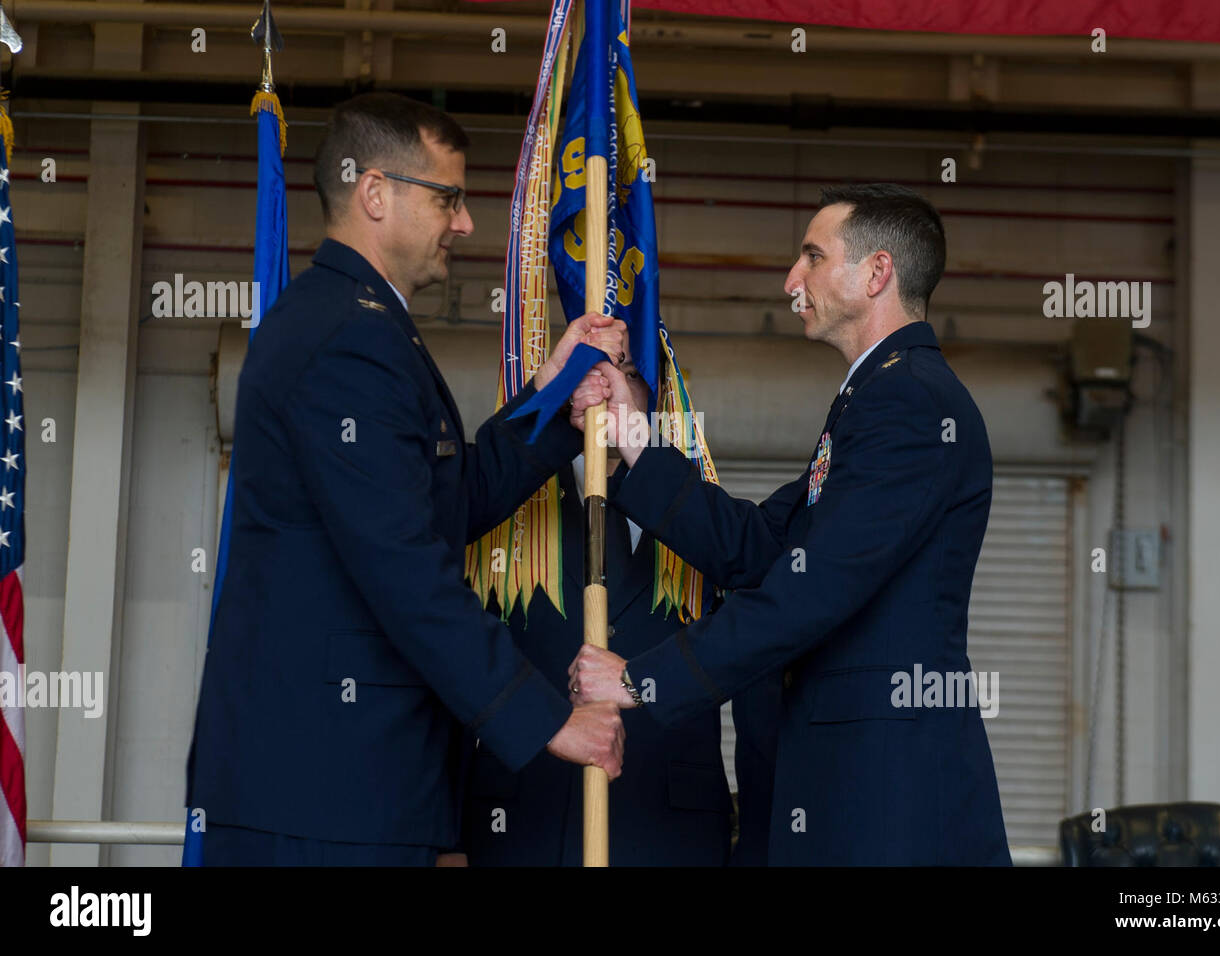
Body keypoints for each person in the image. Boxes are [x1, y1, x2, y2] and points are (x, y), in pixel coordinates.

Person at [185, 92, 627, 866]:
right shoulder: (350, 337)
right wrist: (546, 718)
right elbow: (403, 567)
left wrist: (557, 398)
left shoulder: (354, 322)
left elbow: (444, 505)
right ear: (376, 193)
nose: (464, 224)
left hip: (345, 789)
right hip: (323, 794)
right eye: (449, 198)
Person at [567, 183, 1011, 866]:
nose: (790, 280)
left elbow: (811, 592)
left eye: (812, 256)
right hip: (844, 789)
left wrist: (638, 681)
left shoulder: (911, 405)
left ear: (876, 273)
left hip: (885, 801)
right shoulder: (876, 398)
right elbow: (758, 549)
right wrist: (632, 435)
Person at [461, 358, 733, 866]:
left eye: (626, 369)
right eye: (591, 366)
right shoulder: (506, 505)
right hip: (522, 825)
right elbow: (456, 653)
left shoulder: (709, 514)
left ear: (657, 392)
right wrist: (448, 839)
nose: (605, 380)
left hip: (668, 831)